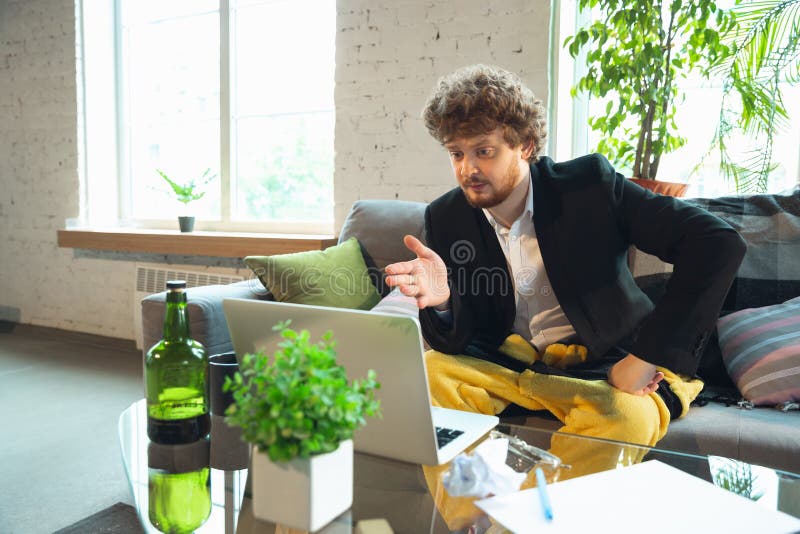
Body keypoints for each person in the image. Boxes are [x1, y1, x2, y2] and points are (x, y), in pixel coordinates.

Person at [383, 64, 746, 468]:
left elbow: (717, 242)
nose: (468, 169)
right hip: (510, 363)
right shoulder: (445, 217)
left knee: (627, 415)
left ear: (524, 145)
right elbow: (465, 337)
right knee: (430, 375)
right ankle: (477, 506)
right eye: (456, 153)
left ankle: (533, 510)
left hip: (606, 362)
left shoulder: (588, 188)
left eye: (483, 151)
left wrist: (644, 359)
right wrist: (444, 302)